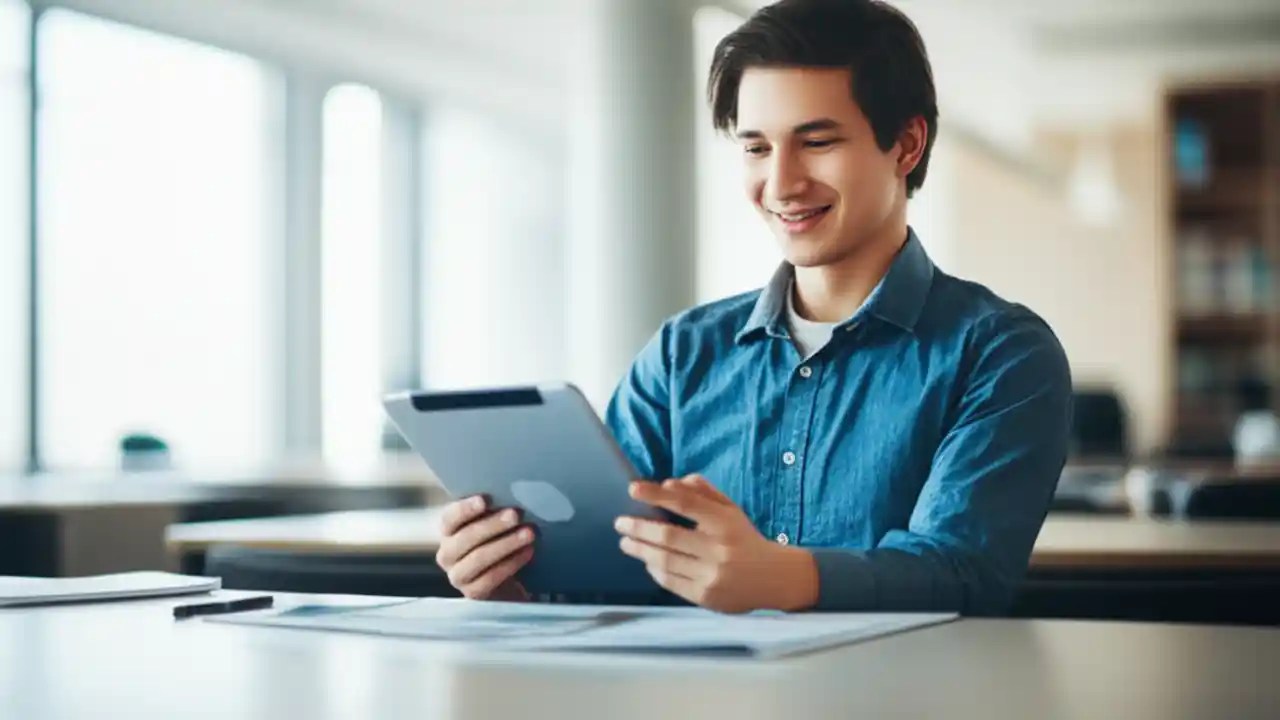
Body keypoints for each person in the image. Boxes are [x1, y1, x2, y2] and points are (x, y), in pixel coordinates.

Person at [433, 0, 1072, 614]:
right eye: (756, 148)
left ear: (905, 145)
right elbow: (612, 574)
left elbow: (962, 573)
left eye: (816, 142)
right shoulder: (681, 355)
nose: (781, 183)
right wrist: (520, 588)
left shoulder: (1000, 353)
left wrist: (785, 578)